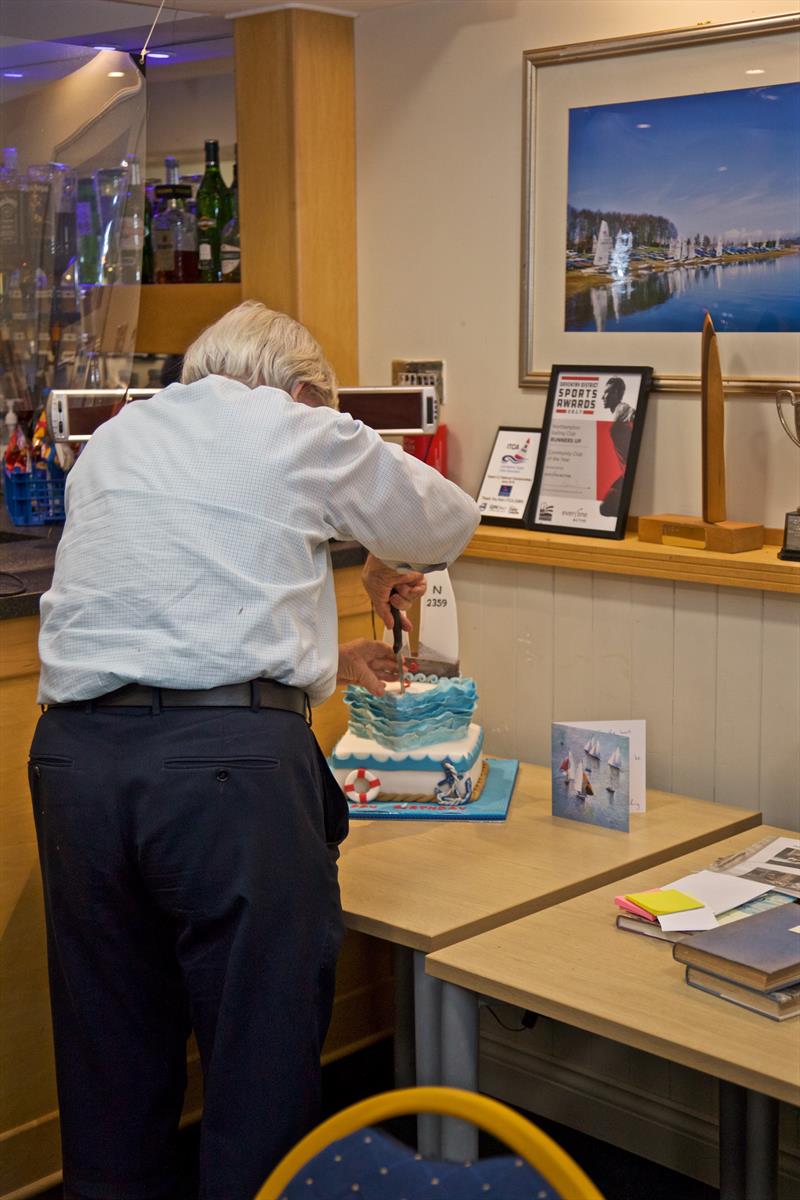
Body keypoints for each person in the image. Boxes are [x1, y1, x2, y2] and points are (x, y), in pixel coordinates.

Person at [31, 301, 480, 1200]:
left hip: (75, 765)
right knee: (258, 1068)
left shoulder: (118, 437)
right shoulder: (294, 422)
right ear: (307, 390)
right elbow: (445, 522)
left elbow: (184, 590)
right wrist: (381, 550)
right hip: (225, 776)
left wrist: (319, 661)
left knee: (109, 1067)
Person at [598, 376, 636, 517]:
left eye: (606, 392)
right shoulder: (618, 411)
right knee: (605, 508)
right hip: (623, 473)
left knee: (607, 508)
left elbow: (634, 415)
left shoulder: (623, 409)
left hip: (628, 473)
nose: (602, 397)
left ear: (615, 393)